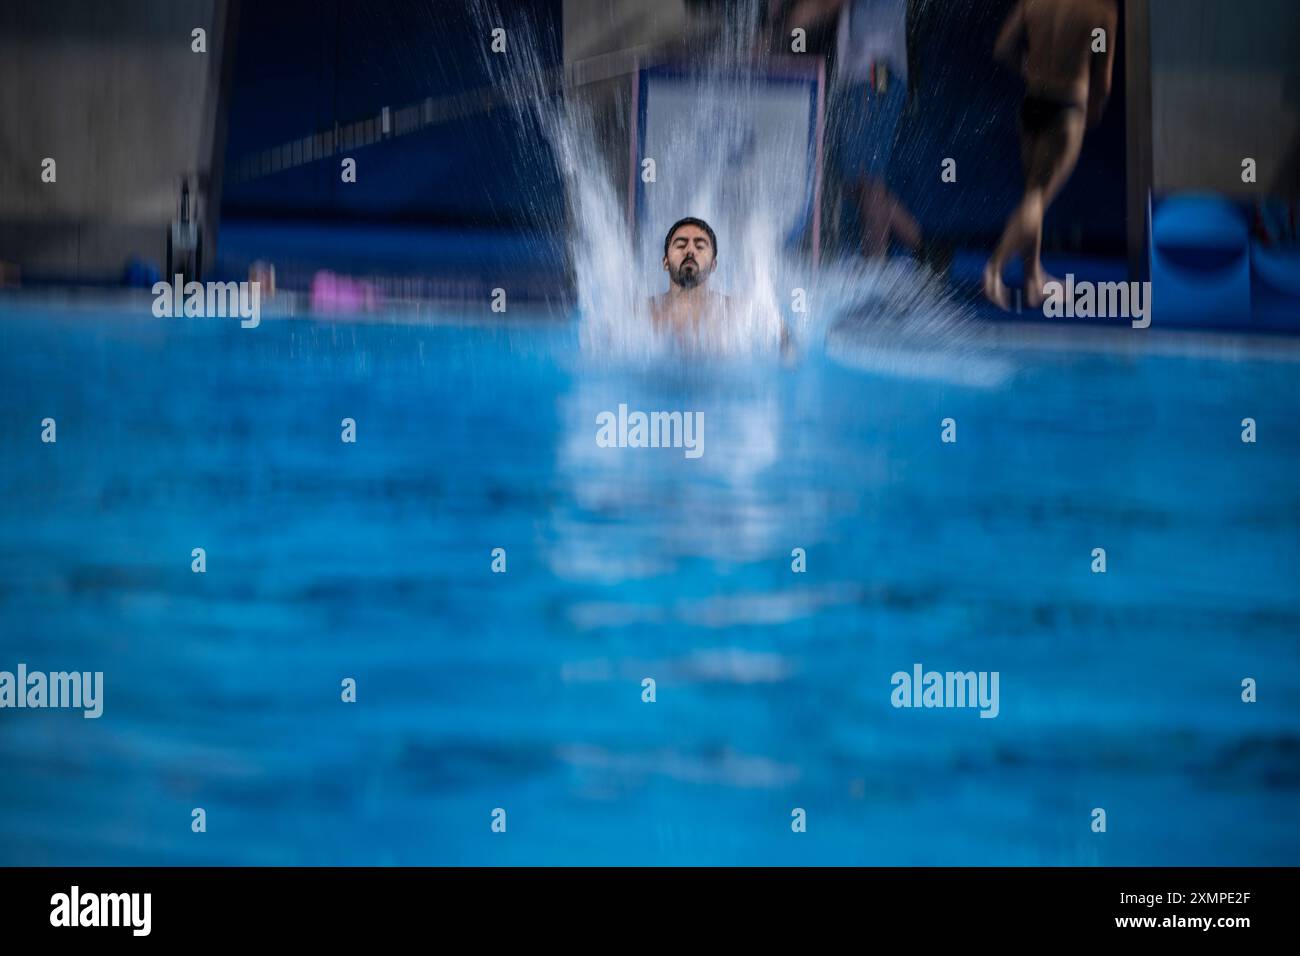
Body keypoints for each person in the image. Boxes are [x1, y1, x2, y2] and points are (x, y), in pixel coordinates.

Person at [983, 0, 1118, 310]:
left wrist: (1028, 68)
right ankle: (994, 271)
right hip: (1066, 110)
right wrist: (1094, 108)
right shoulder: (1101, 11)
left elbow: (1003, 47)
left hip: (1032, 104)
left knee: (1033, 188)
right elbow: (1104, 80)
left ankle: (1033, 279)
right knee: (1037, 196)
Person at [650, 217, 793, 354]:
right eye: (681, 245)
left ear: (713, 265)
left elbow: (783, 334)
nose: (690, 251)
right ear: (666, 262)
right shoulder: (642, 314)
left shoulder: (737, 312)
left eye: (700, 246)